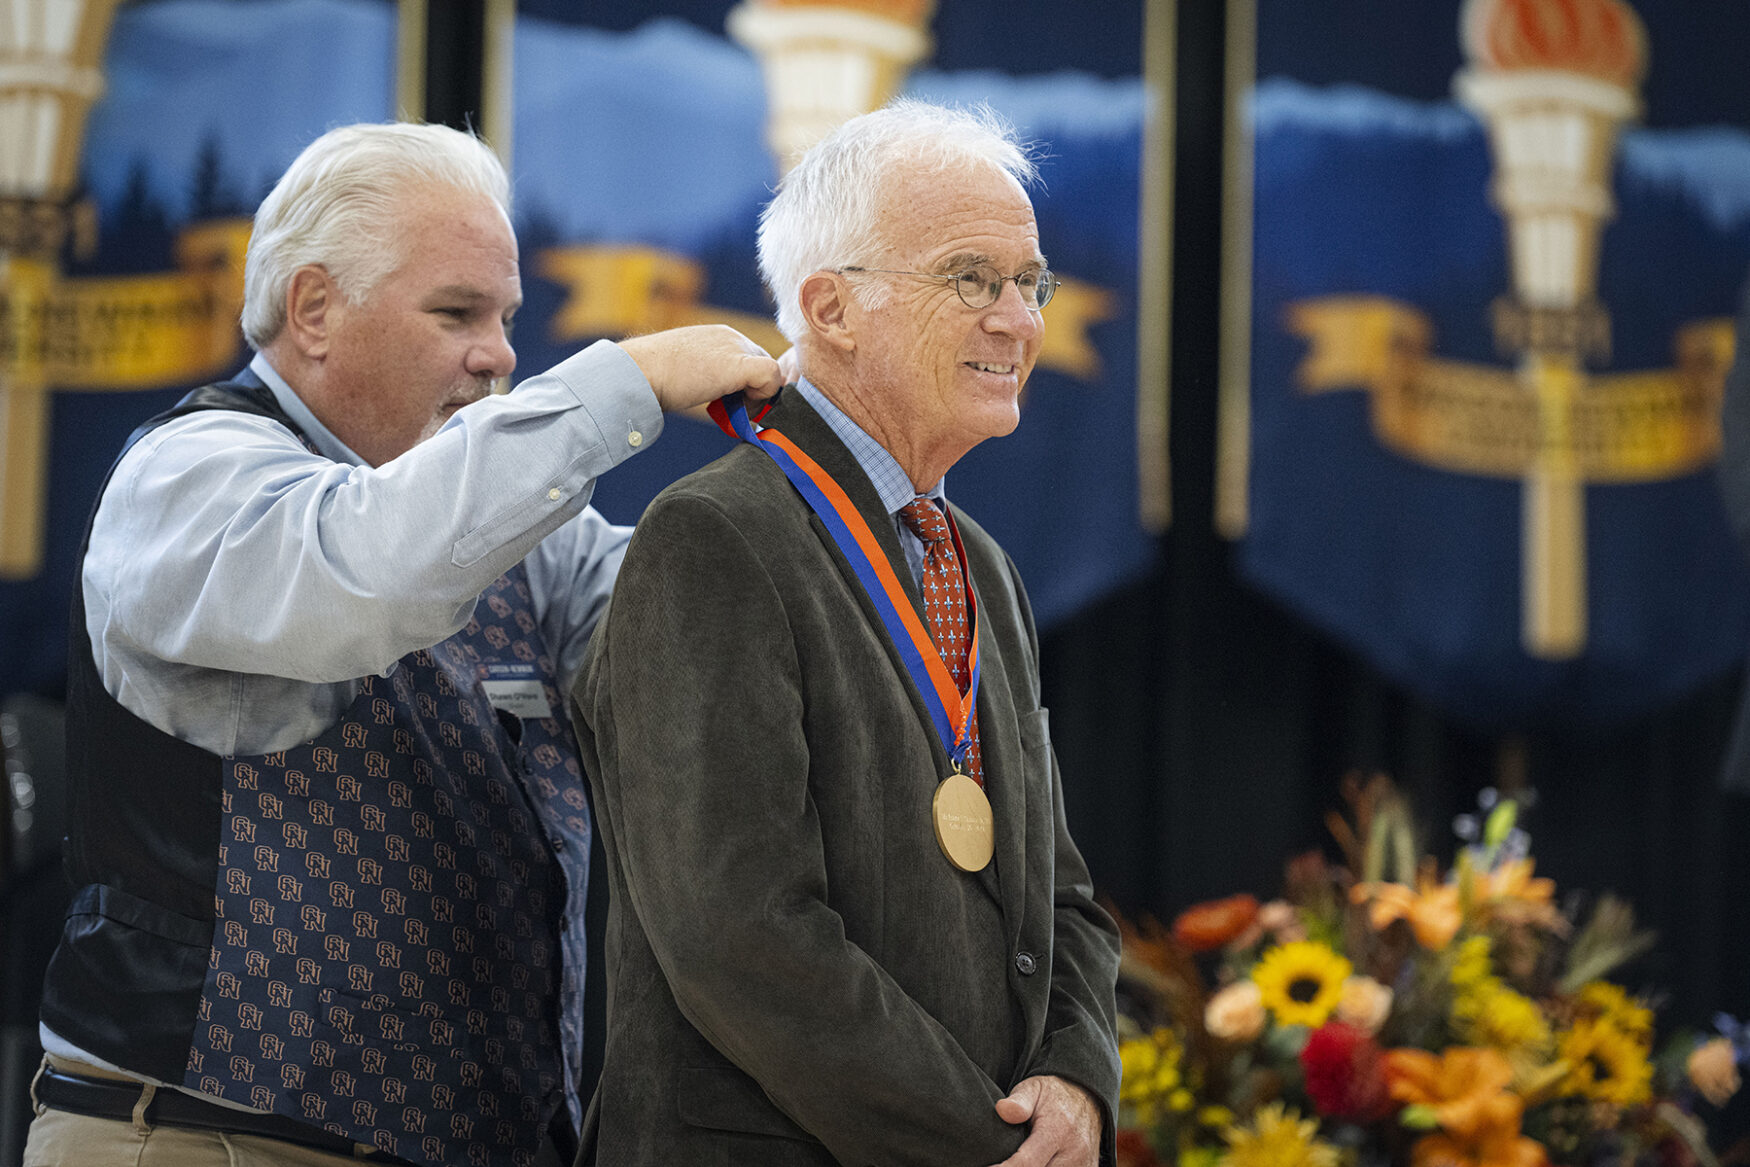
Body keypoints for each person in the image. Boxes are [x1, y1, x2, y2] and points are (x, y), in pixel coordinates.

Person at [24, 122, 782, 1167]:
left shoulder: (507, 517)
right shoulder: (187, 475)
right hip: (217, 1143)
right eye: (457, 312)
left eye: (508, 317)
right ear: (316, 310)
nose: (502, 353)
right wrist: (632, 381)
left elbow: (702, 639)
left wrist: (847, 461)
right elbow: (366, 570)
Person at [571, 100, 1121, 1166]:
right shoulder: (712, 537)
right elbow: (739, 936)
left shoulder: (981, 566)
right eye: (971, 278)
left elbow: (1061, 901)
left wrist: (1073, 1079)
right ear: (830, 308)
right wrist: (980, 1144)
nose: (1018, 319)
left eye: (1029, 281)